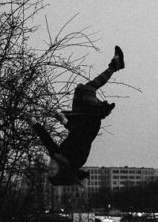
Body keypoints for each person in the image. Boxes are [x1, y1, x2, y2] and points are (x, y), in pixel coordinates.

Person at [27, 45, 125, 185]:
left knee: (80, 89)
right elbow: (81, 135)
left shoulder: (57, 155)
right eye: (53, 171)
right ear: (61, 170)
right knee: (88, 90)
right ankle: (115, 67)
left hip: (79, 120)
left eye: (49, 170)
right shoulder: (77, 160)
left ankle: (102, 106)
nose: (50, 167)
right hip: (89, 124)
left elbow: (46, 139)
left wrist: (34, 123)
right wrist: (65, 122)